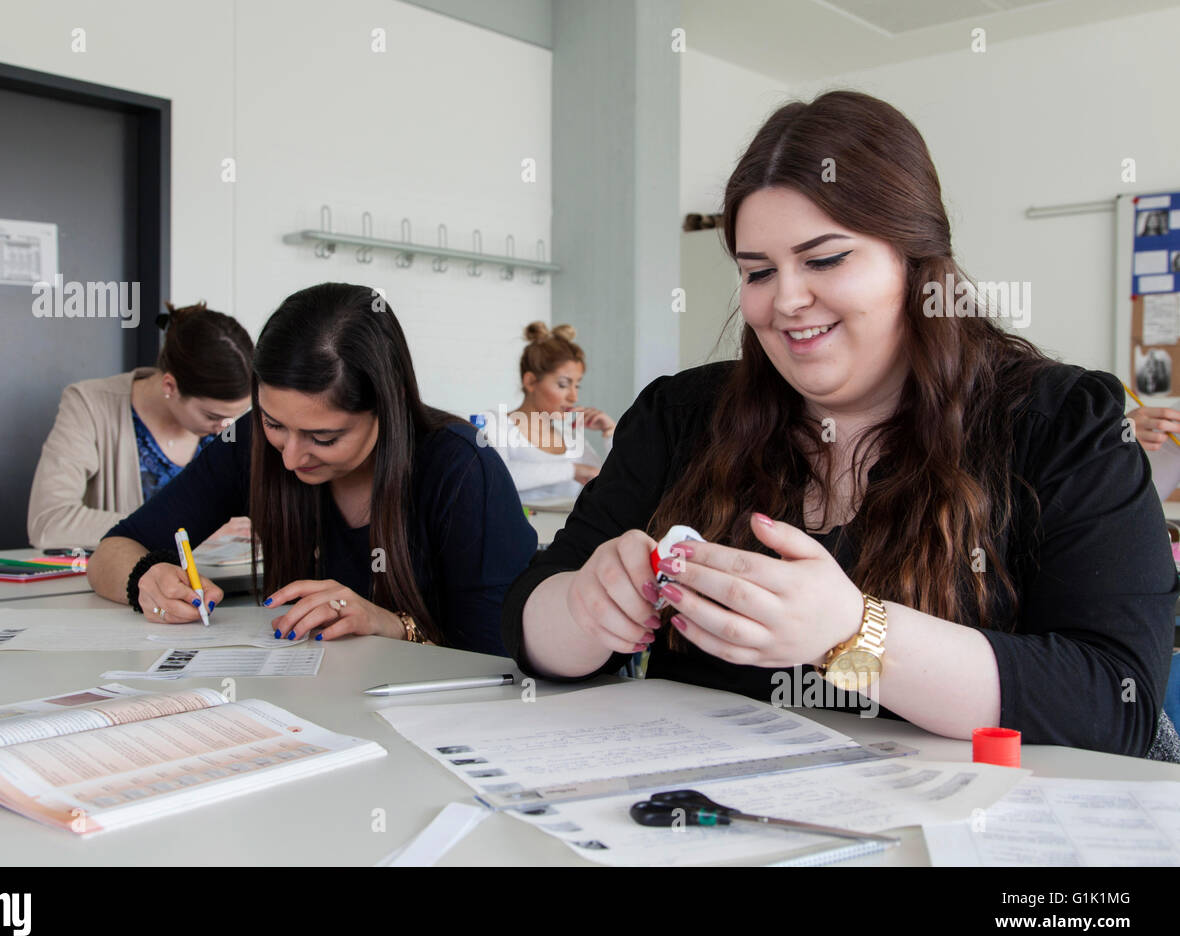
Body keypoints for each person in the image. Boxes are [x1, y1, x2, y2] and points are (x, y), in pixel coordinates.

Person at [502, 90, 1180, 761]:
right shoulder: (680, 418)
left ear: (915, 263)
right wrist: (584, 610)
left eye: (825, 259)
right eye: (759, 271)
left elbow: (1113, 698)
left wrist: (853, 638)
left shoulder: (1057, 422)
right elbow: (531, 618)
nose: (788, 300)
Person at [87, 283, 536, 655]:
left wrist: (395, 627)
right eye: (274, 423)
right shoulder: (250, 442)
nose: (290, 458)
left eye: (324, 438)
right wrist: (146, 578)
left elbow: (499, 651)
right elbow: (115, 549)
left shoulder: (460, 469)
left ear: (391, 402)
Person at [27, 303, 254, 549]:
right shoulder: (90, 405)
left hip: (223, 578)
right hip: (123, 583)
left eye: (235, 416)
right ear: (170, 386)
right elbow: (48, 523)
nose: (225, 429)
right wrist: (188, 526)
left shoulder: (228, 426)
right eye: (212, 416)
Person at [480, 322, 615, 503]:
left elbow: (608, 485)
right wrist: (573, 471)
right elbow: (494, 477)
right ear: (530, 381)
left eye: (577, 385)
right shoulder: (494, 423)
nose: (574, 397)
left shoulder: (569, 435)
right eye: (563, 385)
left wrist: (610, 432)